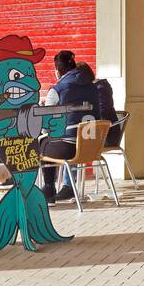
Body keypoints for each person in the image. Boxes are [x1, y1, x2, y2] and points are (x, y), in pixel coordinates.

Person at [40, 59, 98, 204]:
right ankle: (60, 187)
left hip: (68, 149)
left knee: (40, 144)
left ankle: (48, 190)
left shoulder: (57, 90)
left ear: (58, 71)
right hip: (92, 146)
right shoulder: (94, 88)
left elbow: (45, 126)